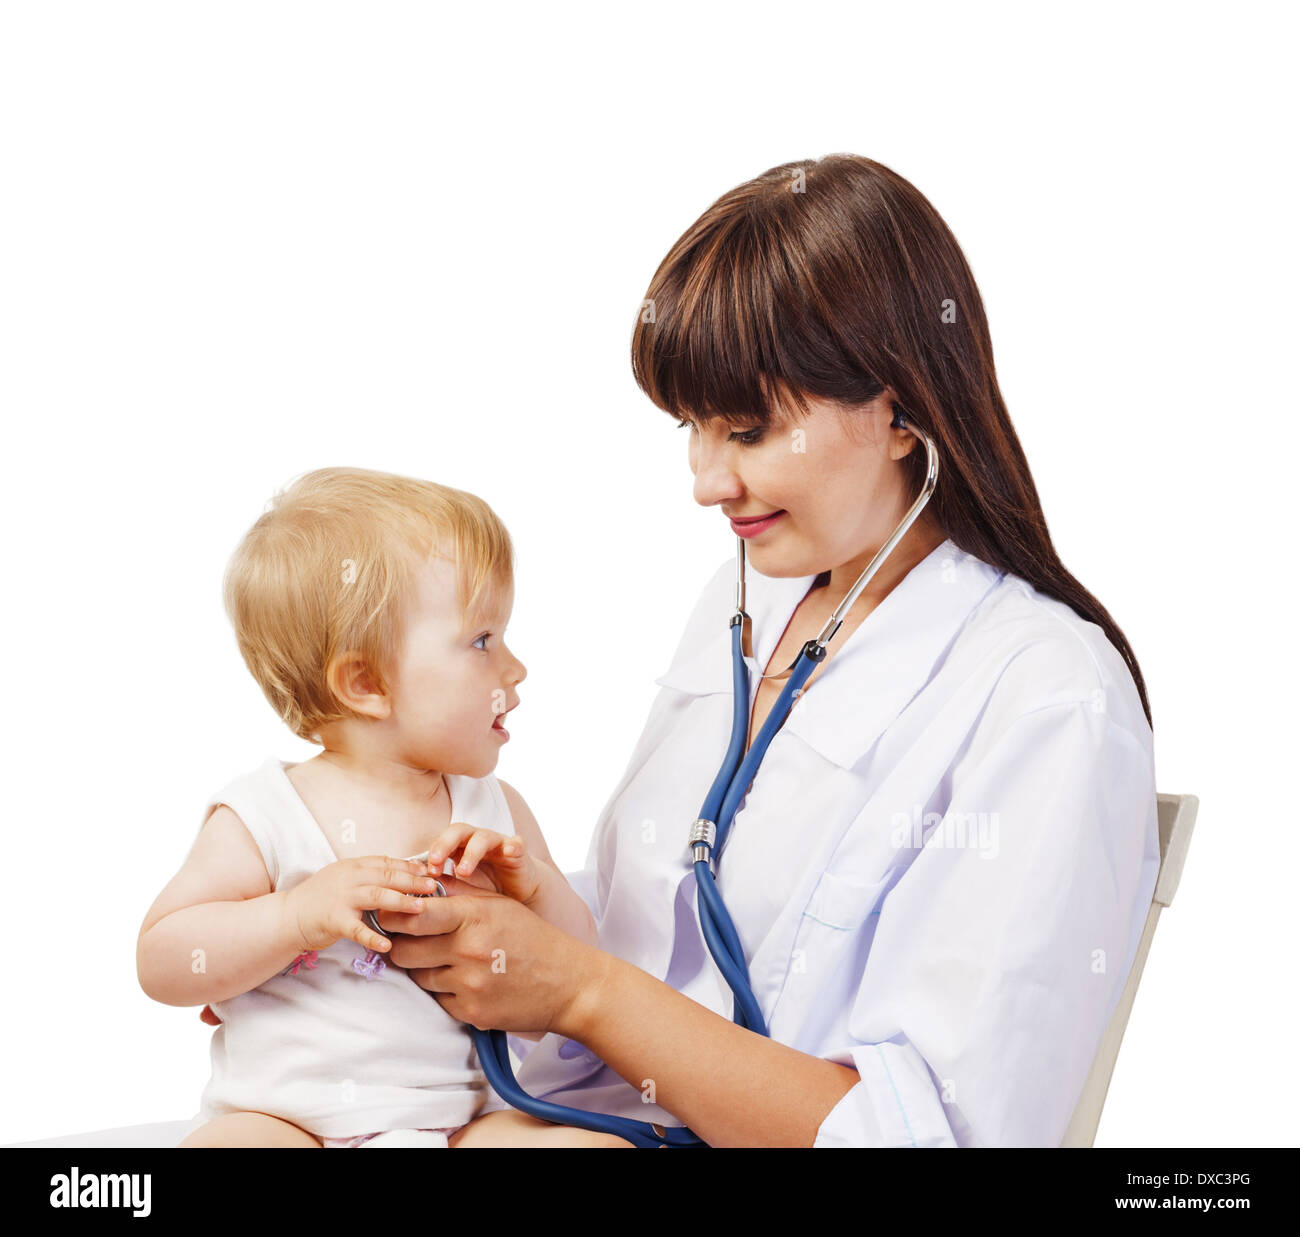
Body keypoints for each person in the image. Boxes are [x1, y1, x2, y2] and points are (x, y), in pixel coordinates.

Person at [382, 154, 1162, 1148]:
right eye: (692, 429)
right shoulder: (746, 599)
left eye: (747, 429)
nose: (707, 482)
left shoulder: (1049, 697)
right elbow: (677, 945)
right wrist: (519, 914)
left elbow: (926, 1135)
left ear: (897, 409)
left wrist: (579, 990)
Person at [138, 467, 625, 1147]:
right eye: (482, 641)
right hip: (287, 1122)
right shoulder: (266, 813)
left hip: (463, 1125)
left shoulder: (496, 810)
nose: (515, 668)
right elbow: (163, 959)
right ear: (365, 682)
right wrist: (293, 915)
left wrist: (537, 892)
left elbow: (577, 976)